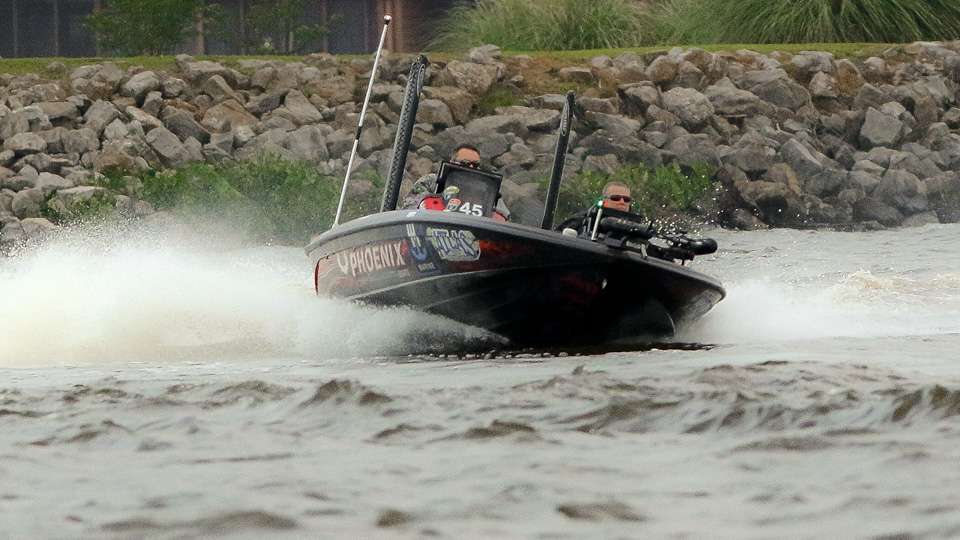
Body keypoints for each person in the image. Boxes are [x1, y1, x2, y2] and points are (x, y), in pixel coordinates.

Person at [402, 144, 510, 220]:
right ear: (452, 162)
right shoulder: (431, 181)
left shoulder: (488, 191)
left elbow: (504, 218)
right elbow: (409, 207)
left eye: (476, 165)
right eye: (466, 163)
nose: (471, 167)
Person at [555, 181, 636, 234]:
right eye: (615, 198)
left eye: (626, 199)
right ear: (604, 200)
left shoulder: (636, 228)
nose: (622, 202)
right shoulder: (583, 221)